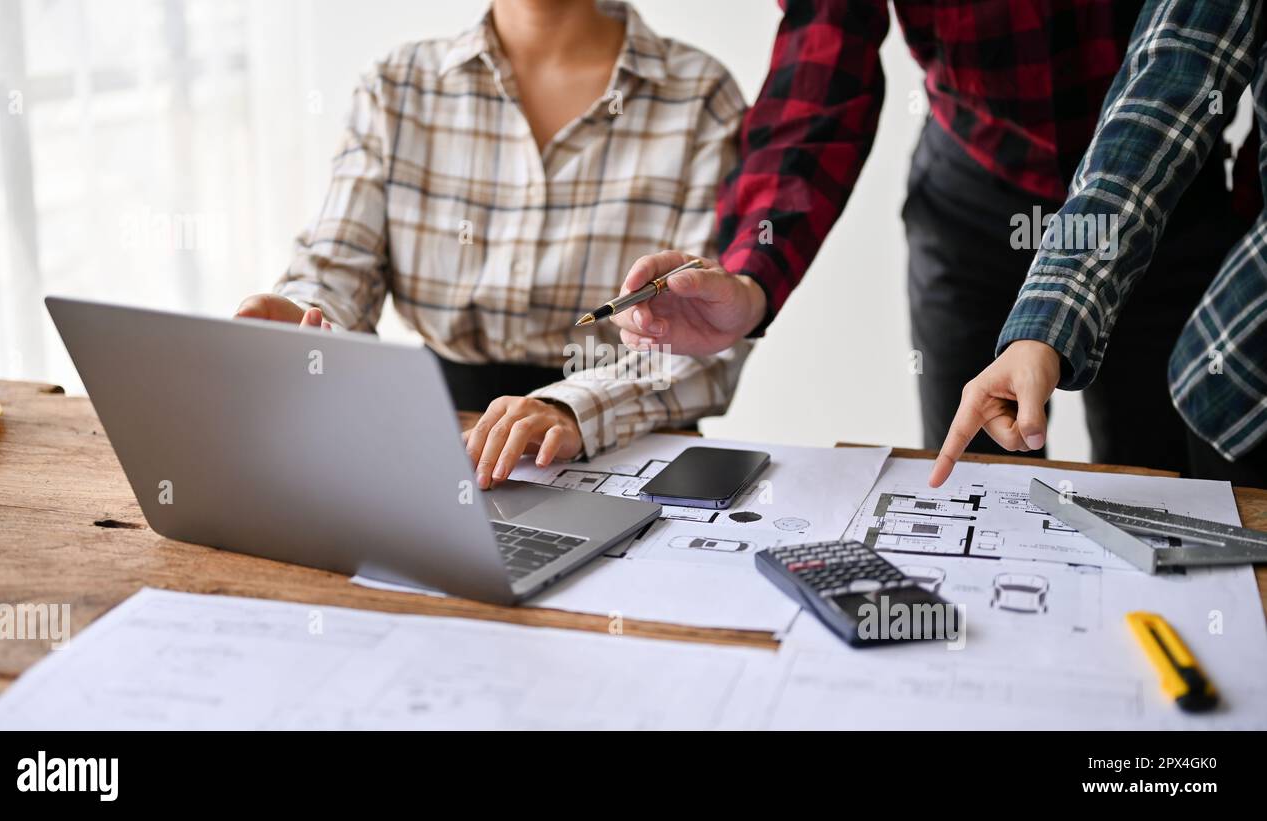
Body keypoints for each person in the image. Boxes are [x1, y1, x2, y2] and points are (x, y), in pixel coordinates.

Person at [609, 0, 1257, 475]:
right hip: (972, 201)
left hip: (1162, 192)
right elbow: (824, 59)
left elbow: (1180, 71)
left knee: (1156, 492)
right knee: (971, 479)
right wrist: (752, 275)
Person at [235, 0, 751, 489]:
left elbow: (711, 339)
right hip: (441, 443)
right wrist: (303, 317)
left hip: (632, 450)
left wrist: (575, 408)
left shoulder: (700, 97)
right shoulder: (398, 87)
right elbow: (339, 267)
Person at [930, 0, 1267, 490]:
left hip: (1194, 252)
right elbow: (1170, 84)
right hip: (1248, 394)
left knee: (1146, 473)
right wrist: (1045, 324)